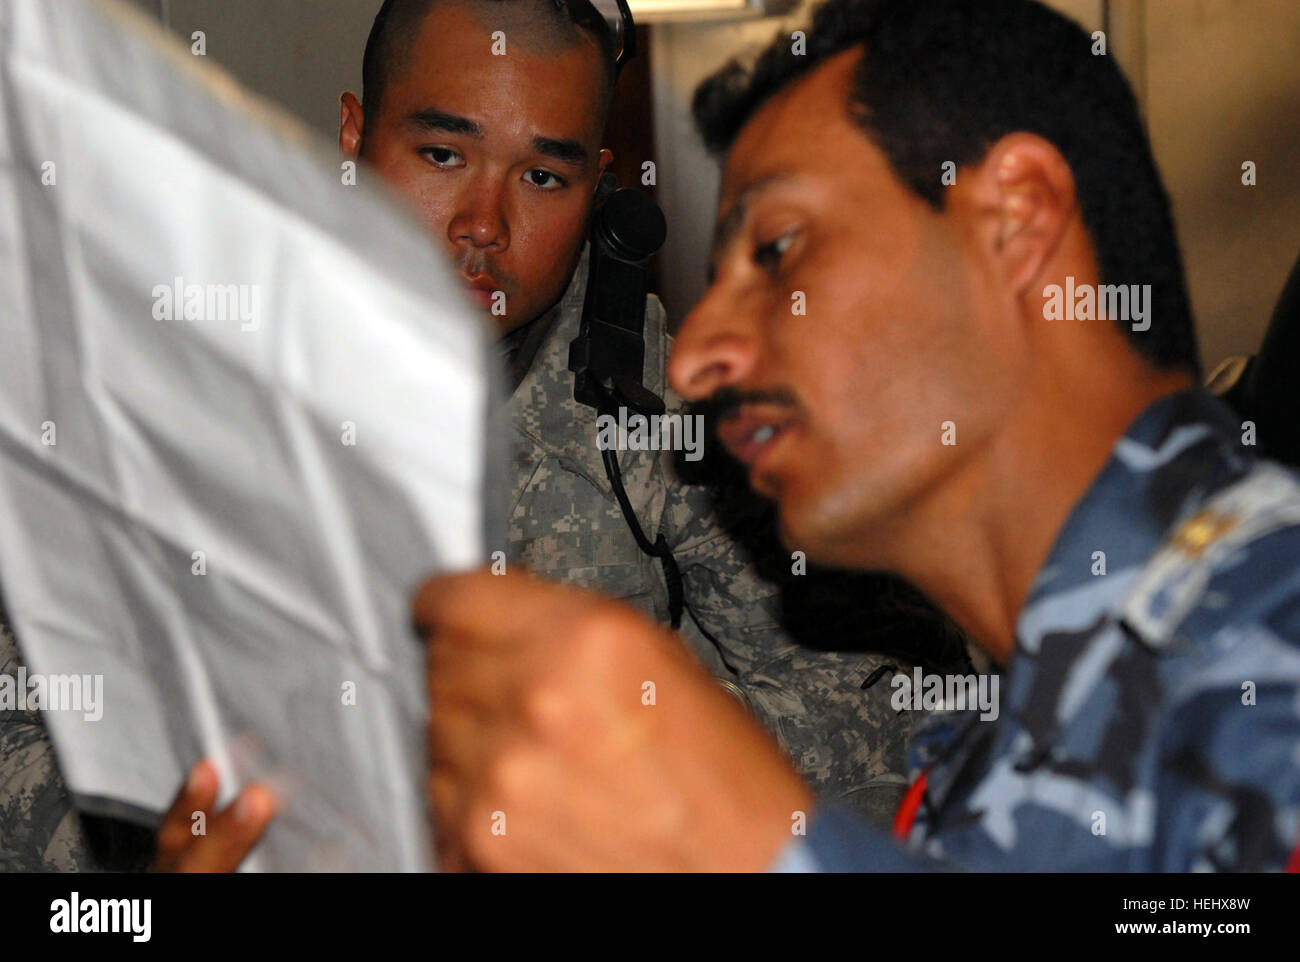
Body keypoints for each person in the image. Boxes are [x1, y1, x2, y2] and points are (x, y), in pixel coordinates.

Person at [0, 0, 955, 872]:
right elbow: (28, 730)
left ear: (597, 191)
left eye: (543, 175)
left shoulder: (663, 397)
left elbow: (882, 706)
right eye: (443, 155)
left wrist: (628, 775)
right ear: (354, 137)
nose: (484, 225)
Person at [412, 0, 1300, 872]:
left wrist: (748, 843)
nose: (696, 364)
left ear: (1015, 222)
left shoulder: (1269, 644)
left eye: (780, 251)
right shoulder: (996, 748)